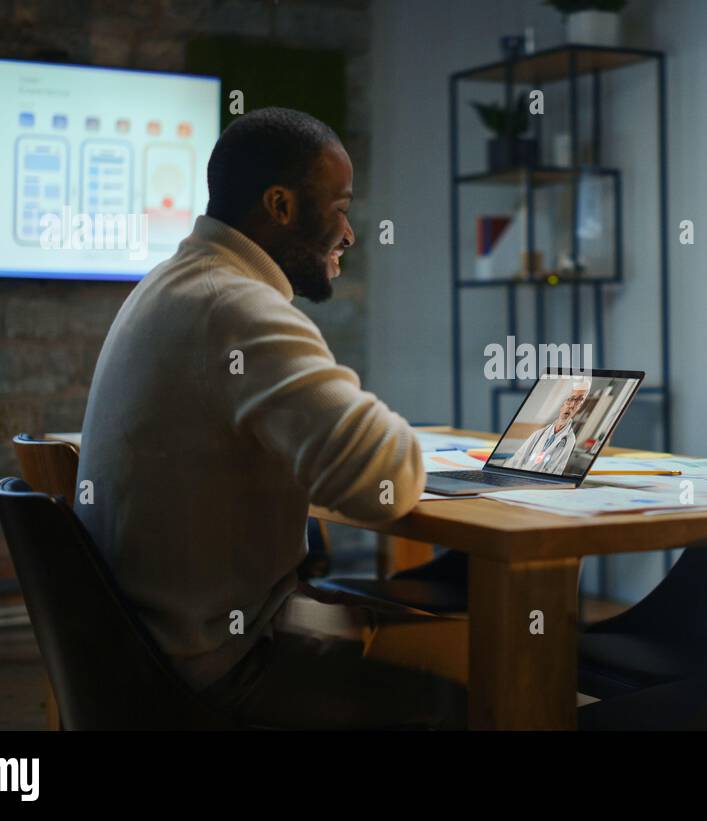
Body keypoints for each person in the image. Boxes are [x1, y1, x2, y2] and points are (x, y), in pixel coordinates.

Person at [75, 107, 465, 729]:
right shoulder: (235, 306)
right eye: (340, 206)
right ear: (281, 206)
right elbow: (380, 479)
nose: (350, 232)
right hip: (221, 672)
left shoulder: (171, 284)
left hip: (145, 659)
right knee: (473, 681)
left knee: (429, 629)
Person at [501, 380, 590, 474]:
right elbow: (518, 457)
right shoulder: (539, 433)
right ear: (561, 407)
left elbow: (558, 469)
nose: (571, 406)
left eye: (579, 400)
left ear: (578, 408)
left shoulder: (570, 440)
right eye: (570, 400)